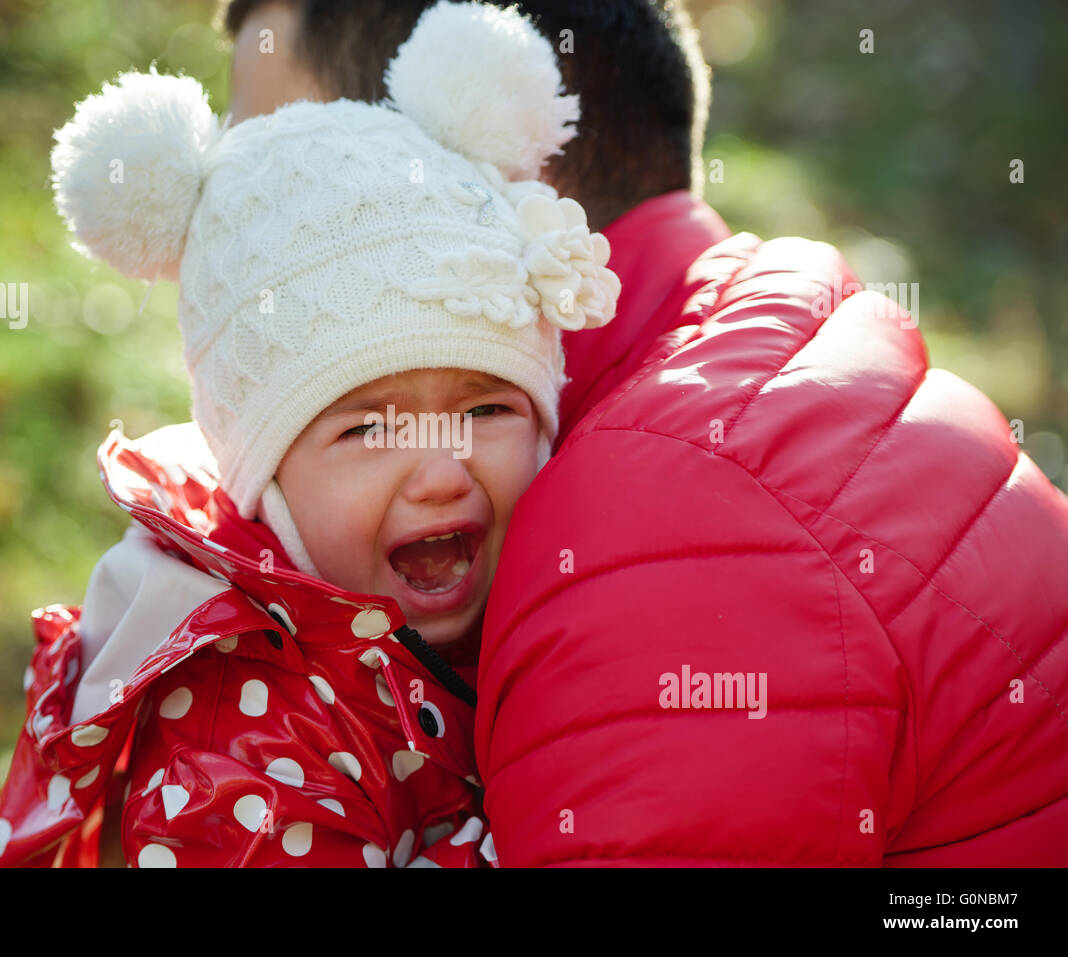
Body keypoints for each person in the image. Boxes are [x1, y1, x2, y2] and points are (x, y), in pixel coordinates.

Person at [223, 0, 1068, 865]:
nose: (227, 235)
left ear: (494, 153)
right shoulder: (767, 348)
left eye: (275, 163)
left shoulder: (661, 531)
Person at [0, 1, 617, 867]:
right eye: (368, 428)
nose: (440, 471)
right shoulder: (238, 739)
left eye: (486, 410)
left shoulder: (548, 602)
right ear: (264, 482)